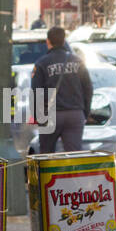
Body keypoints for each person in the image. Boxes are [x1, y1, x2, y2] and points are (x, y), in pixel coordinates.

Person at [31, 25, 93, 154]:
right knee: (74, 155)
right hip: (75, 114)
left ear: (48, 41)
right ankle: (73, 174)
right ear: (64, 41)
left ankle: (49, 174)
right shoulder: (78, 61)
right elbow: (88, 88)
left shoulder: (42, 63)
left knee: (46, 155)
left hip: (51, 116)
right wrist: (84, 112)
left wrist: (38, 117)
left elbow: (36, 93)